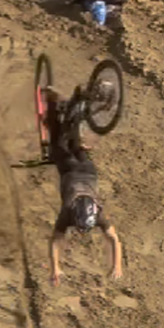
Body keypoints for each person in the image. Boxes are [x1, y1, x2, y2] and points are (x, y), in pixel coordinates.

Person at [42, 87, 124, 286]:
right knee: (55, 134)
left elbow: (114, 239)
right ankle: (56, 103)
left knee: (75, 141)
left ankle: (83, 101)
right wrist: (56, 268)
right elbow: (55, 242)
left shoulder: (97, 212)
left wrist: (117, 266)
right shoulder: (69, 213)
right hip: (71, 168)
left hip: (87, 169)